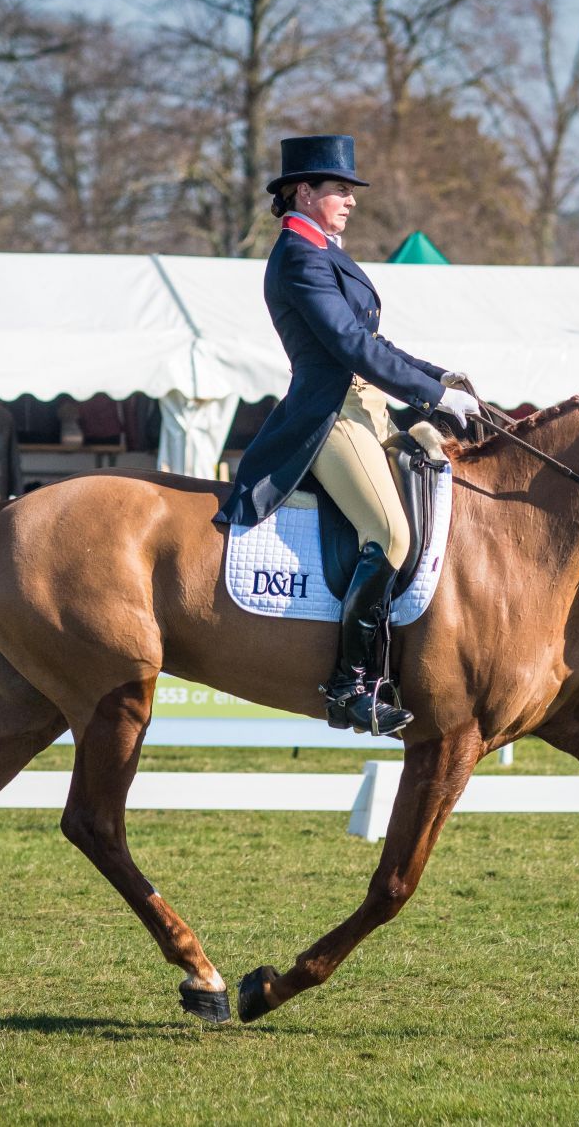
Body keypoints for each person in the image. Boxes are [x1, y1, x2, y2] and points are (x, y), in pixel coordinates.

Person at [215, 134, 481, 734]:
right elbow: (348, 346)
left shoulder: (326, 252)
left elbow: (376, 344)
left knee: (448, 464)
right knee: (388, 533)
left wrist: (439, 379)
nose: (350, 201)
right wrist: (432, 397)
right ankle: (350, 686)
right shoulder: (299, 256)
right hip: (330, 411)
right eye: (339, 189)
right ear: (303, 193)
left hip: (368, 404)